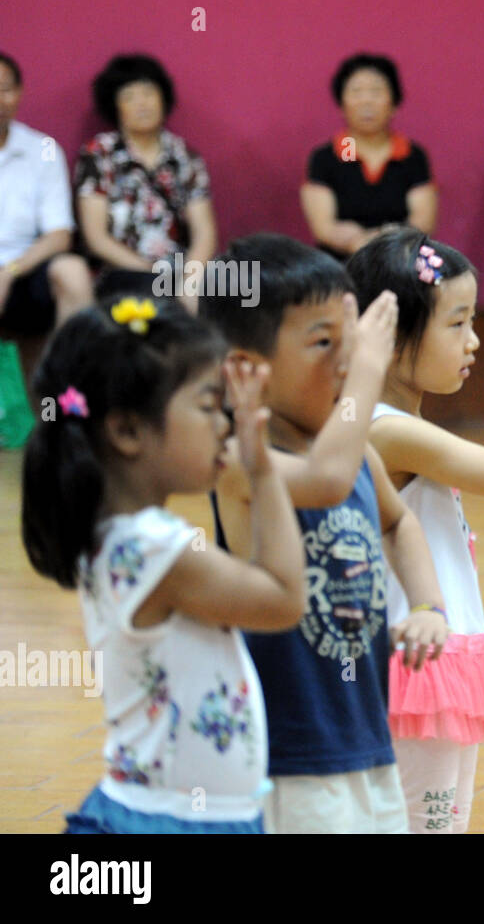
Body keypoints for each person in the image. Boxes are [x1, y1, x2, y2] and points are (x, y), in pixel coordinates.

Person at [21, 298, 305, 833]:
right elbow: (285, 597)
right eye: (207, 405)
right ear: (127, 431)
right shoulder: (157, 549)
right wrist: (262, 468)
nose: (223, 424)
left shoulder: (115, 535)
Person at [199, 234, 448, 834]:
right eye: (323, 342)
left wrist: (427, 605)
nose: (346, 359)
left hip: (366, 734)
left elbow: (399, 521)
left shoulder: (351, 448)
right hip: (292, 754)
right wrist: (367, 370)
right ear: (243, 368)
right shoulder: (236, 461)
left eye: (352, 340)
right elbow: (326, 479)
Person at [348, 228, 484, 833]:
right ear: (390, 339)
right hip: (418, 665)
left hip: (444, 658)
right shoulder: (387, 430)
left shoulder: (395, 423)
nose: (473, 341)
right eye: (456, 323)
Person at [75, 54, 216, 303]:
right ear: (114, 107)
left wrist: (190, 279)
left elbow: (204, 230)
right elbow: (95, 237)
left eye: (149, 93)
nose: (142, 104)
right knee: (152, 292)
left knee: (245, 286)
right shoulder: (98, 154)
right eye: (129, 96)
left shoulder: (184, 155)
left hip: (182, 271)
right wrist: (154, 274)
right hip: (126, 271)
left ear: (164, 97)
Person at [0, 51, 93, 364]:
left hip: (25, 269)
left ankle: (70, 399)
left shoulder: (42, 150)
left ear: (20, 93)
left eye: (5, 89)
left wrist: (9, 273)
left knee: (73, 271)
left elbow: (59, 235)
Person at [302, 54, 437, 260]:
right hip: (340, 264)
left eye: (376, 91)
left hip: (401, 260)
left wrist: (383, 241)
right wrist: (357, 243)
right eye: (356, 91)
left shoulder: (412, 156)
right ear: (341, 103)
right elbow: (324, 228)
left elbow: (423, 222)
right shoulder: (326, 158)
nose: (366, 101)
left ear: (394, 103)